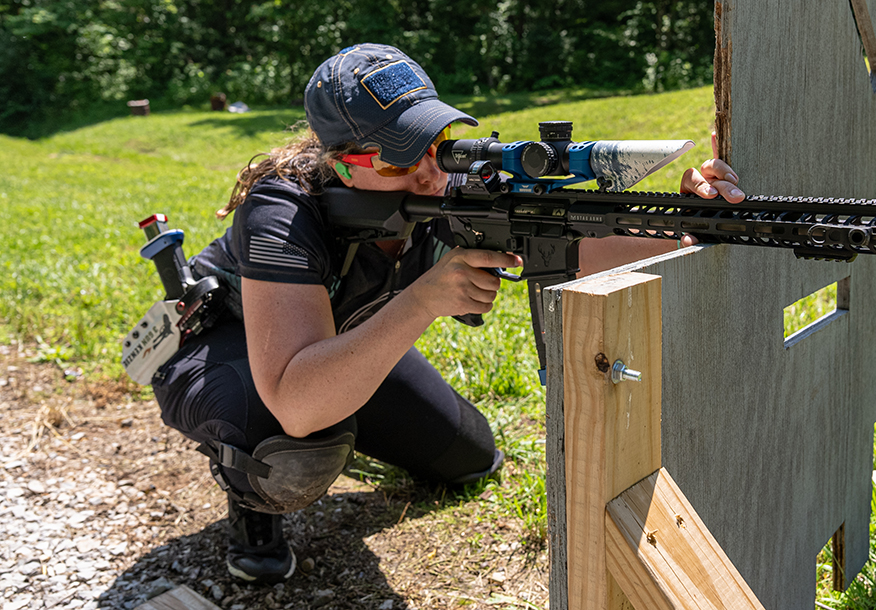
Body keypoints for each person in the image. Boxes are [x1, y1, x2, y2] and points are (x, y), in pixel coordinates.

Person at [148, 43, 745, 585]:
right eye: (401, 160)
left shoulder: (445, 184)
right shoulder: (283, 209)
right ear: (349, 165)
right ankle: (252, 503)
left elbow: (579, 243)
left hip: (347, 341)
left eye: (435, 144)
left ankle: (345, 413)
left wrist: (685, 222)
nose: (433, 174)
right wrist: (425, 298)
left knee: (469, 459)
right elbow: (295, 400)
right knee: (292, 447)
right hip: (222, 348)